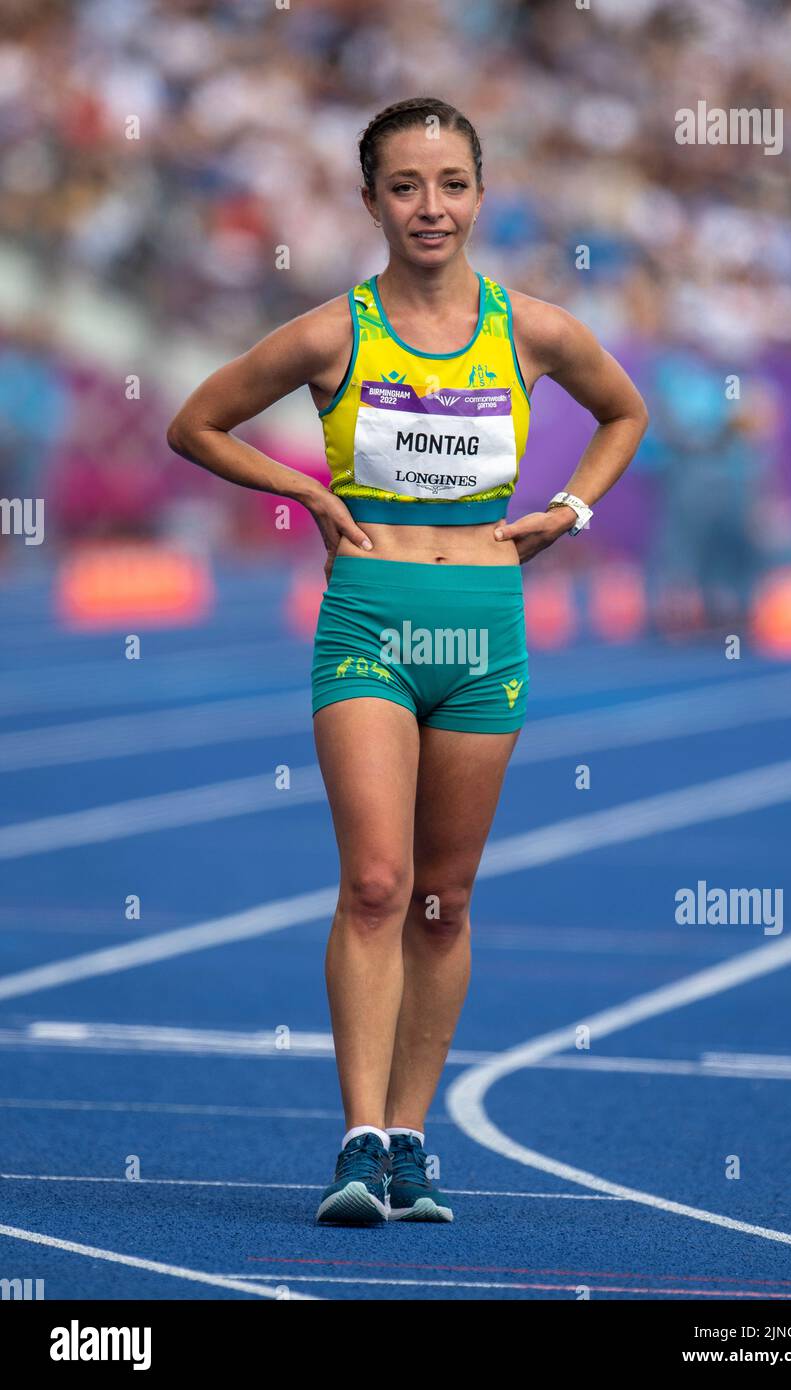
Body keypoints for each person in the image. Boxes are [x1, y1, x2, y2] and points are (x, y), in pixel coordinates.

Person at [167, 96, 648, 1225]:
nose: (429, 206)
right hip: (371, 625)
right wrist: (303, 490)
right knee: (376, 883)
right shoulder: (335, 331)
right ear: (371, 198)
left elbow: (623, 413)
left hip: (484, 632)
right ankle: (358, 1140)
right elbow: (197, 422)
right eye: (404, 186)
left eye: (450, 184)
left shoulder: (532, 330)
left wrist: (568, 510)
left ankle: (416, 1137)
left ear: (481, 194)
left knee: (444, 897)